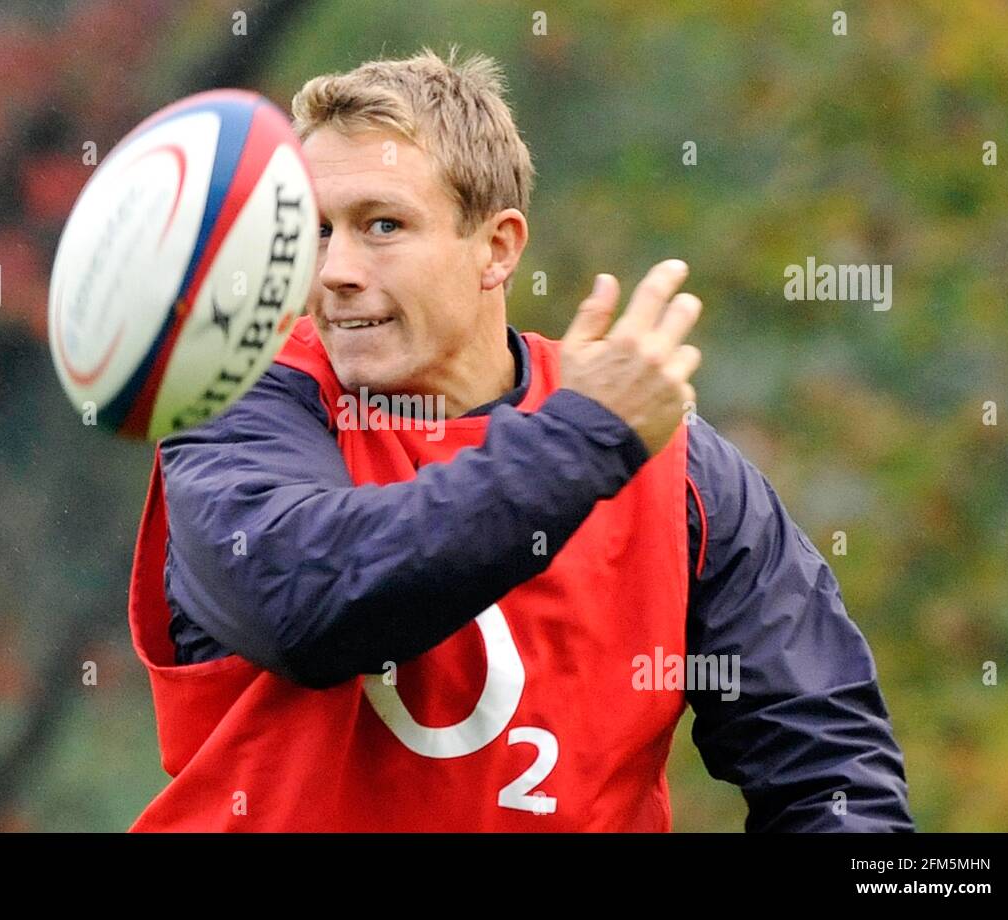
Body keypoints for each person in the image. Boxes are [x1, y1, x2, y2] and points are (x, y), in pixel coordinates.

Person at [125, 47, 914, 832]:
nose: (335, 268)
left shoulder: (675, 467)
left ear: (497, 248)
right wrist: (582, 442)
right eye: (317, 233)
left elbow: (829, 771)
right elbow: (305, 607)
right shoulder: (235, 403)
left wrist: (593, 439)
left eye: (383, 226)